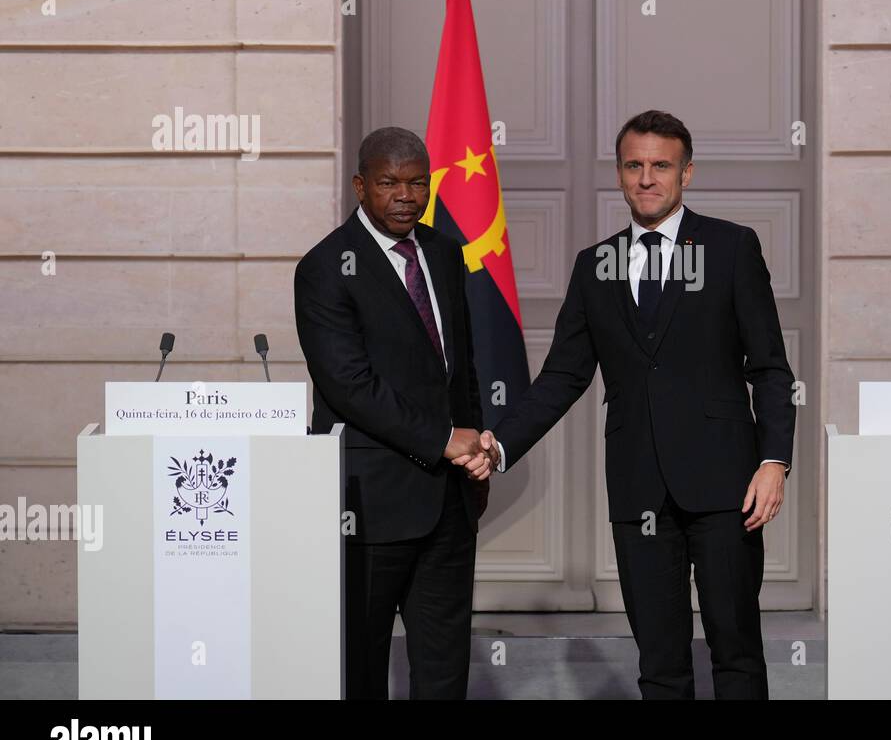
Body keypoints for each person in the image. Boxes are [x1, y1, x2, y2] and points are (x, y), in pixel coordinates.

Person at [464, 109, 796, 699]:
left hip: (728, 488)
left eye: (661, 166)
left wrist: (774, 461)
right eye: (634, 165)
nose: (647, 178)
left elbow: (769, 368)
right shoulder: (595, 266)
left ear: (686, 173)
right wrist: (500, 440)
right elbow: (562, 376)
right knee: (659, 661)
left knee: (736, 651)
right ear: (619, 175)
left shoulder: (730, 248)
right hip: (639, 488)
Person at [294, 125, 496, 699]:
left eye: (417, 183)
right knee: (360, 665)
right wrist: (443, 439)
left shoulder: (444, 252)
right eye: (388, 183)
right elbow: (350, 386)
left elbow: (463, 368)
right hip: (367, 505)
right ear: (360, 186)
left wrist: (475, 448)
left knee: (442, 667)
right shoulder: (326, 268)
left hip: (450, 505)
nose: (405, 195)